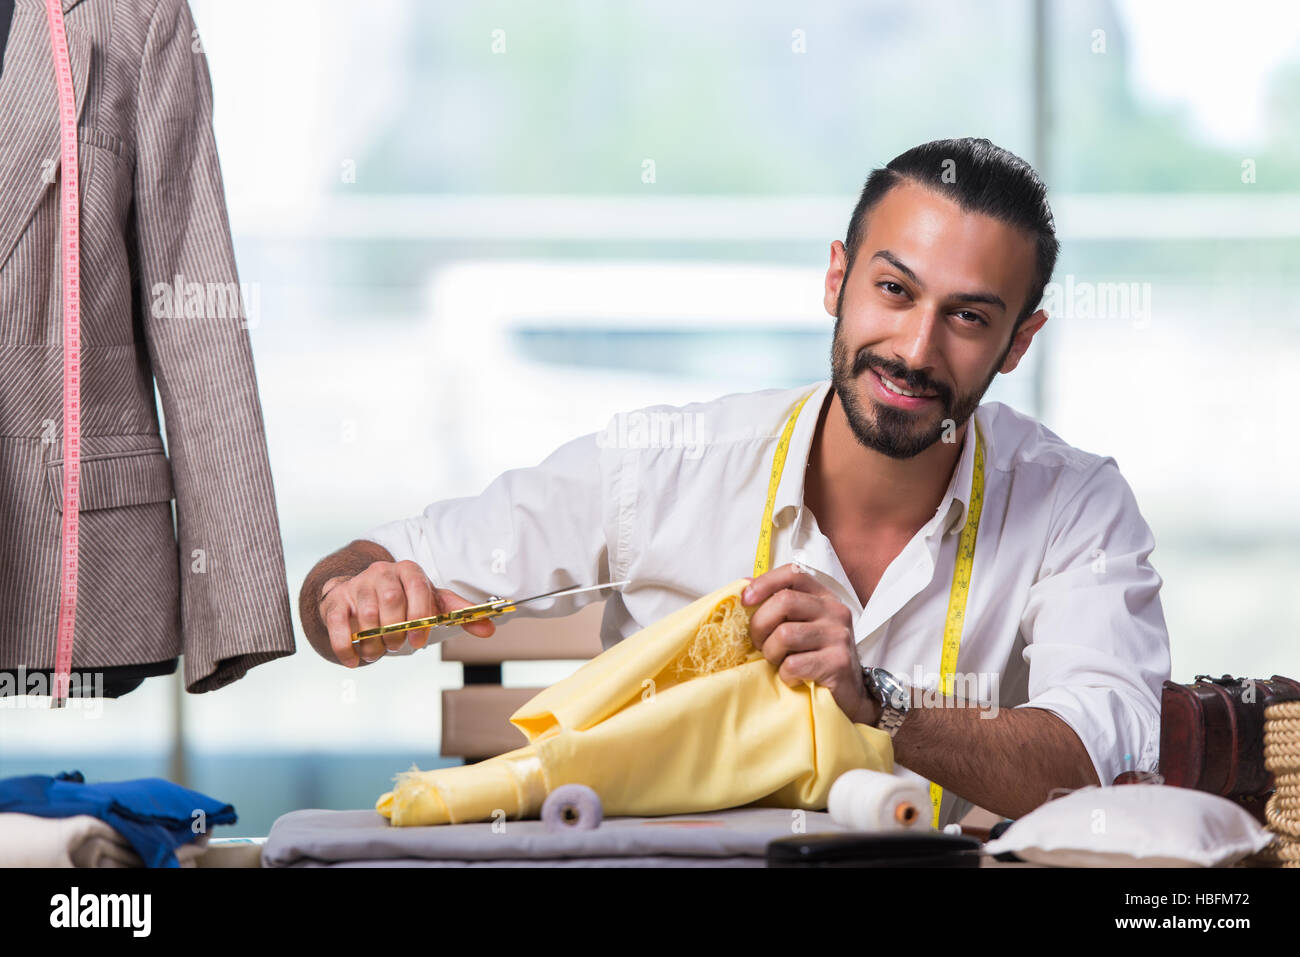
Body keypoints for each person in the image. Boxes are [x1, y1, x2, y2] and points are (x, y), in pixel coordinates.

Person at [300, 137, 1171, 827]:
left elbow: (1093, 759)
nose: (914, 348)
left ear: (1020, 341)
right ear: (838, 277)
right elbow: (345, 576)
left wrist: (878, 699)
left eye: (969, 317)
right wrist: (359, 594)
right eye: (894, 289)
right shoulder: (666, 463)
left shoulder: (1075, 508)